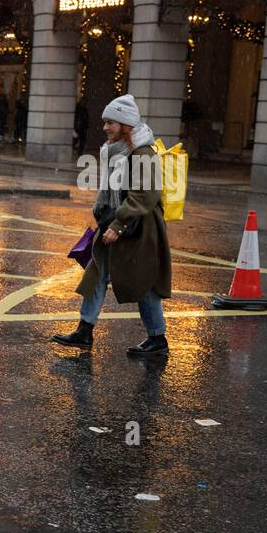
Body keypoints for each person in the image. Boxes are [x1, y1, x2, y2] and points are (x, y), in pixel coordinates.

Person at [51, 93, 171, 357]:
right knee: (96, 274)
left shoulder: (143, 152)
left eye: (111, 123)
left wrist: (118, 225)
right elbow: (110, 188)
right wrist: (102, 211)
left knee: (144, 281)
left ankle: (157, 338)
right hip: (114, 220)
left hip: (138, 226)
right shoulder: (115, 150)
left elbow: (146, 195)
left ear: (125, 125)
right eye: (105, 122)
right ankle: (84, 331)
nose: (105, 127)